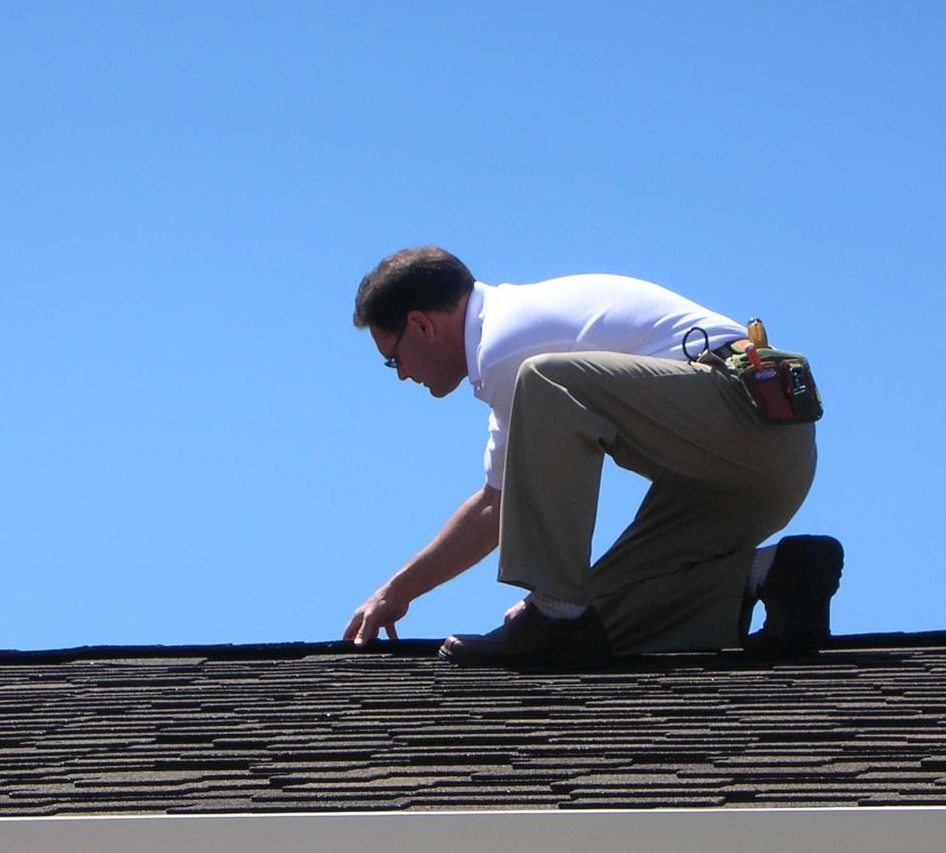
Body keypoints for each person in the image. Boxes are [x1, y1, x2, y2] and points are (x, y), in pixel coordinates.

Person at [343, 246, 842, 664]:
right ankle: (776, 574)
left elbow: (502, 502)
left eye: (394, 358)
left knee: (545, 381)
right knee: (596, 620)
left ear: (421, 325)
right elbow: (497, 505)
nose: (403, 374)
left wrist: (543, 606)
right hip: (763, 460)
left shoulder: (506, 346)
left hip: (744, 419)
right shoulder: (509, 344)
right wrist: (397, 591)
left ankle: (553, 605)